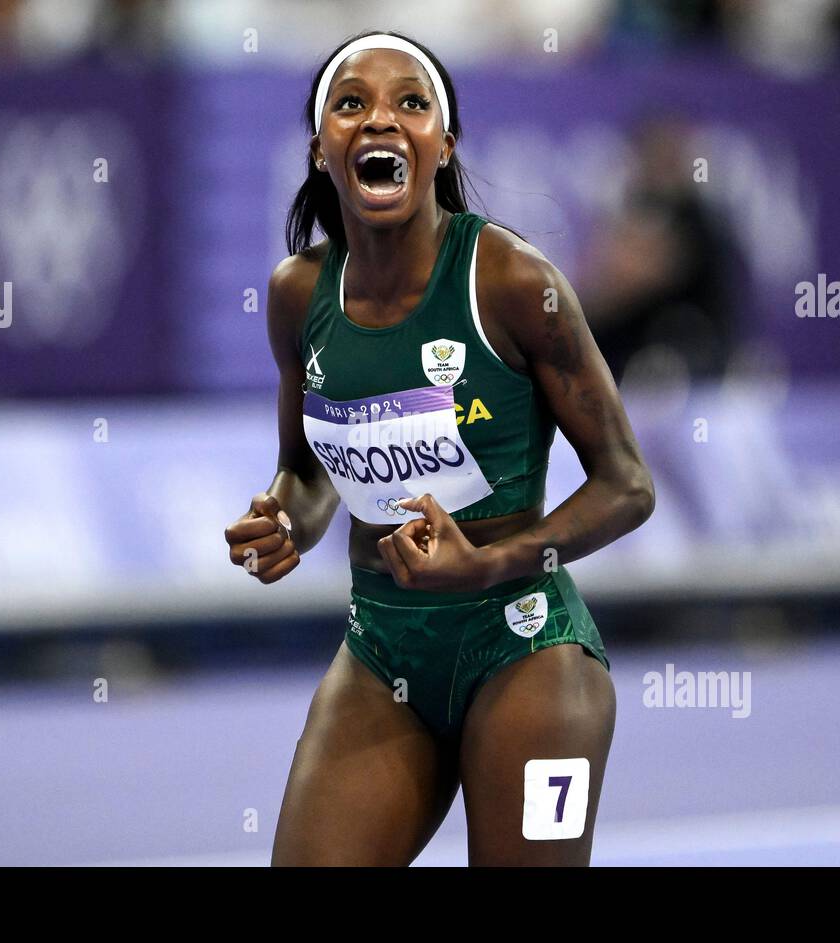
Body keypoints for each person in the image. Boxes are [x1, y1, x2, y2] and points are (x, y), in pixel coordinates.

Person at [224, 30, 654, 866]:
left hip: (525, 648)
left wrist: (489, 564)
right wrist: (285, 517)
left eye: (410, 104)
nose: (380, 120)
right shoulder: (296, 295)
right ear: (321, 150)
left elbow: (628, 485)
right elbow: (308, 473)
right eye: (351, 104)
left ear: (442, 144)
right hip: (383, 651)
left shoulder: (512, 282)